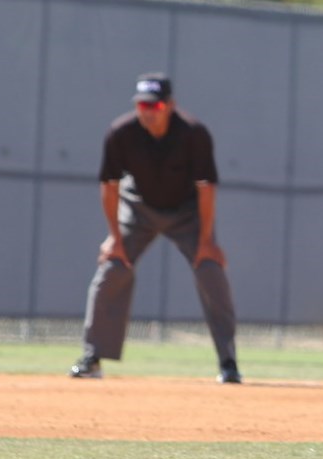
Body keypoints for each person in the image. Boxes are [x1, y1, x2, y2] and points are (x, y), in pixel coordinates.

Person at [69, 73, 242, 384]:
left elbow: (206, 188)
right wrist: (114, 238)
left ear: (170, 106)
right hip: (139, 207)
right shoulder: (121, 132)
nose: (148, 111)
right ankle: (92, 358)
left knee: (210, 271)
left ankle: (228, 362)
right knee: (112, 268)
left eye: (155, 105)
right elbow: (109, 186)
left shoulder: (193, 133)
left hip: (187, 211)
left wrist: (206, 241)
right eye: (142, 105)